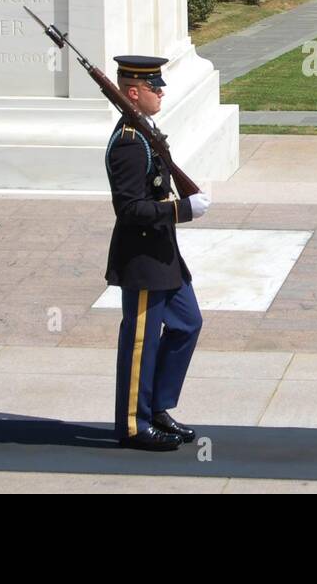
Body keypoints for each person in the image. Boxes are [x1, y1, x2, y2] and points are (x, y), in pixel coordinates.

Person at [107, 55, 212, 451]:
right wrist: (183, 209)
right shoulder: (129, 145)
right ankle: (135, 423)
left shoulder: (145, 132)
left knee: (187, 324)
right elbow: (130, 209)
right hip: (144, 260)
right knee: (141, 342)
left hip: (165, 257)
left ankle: (158, 407)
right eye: (155, 87)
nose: (162, 91)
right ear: (133, 92)